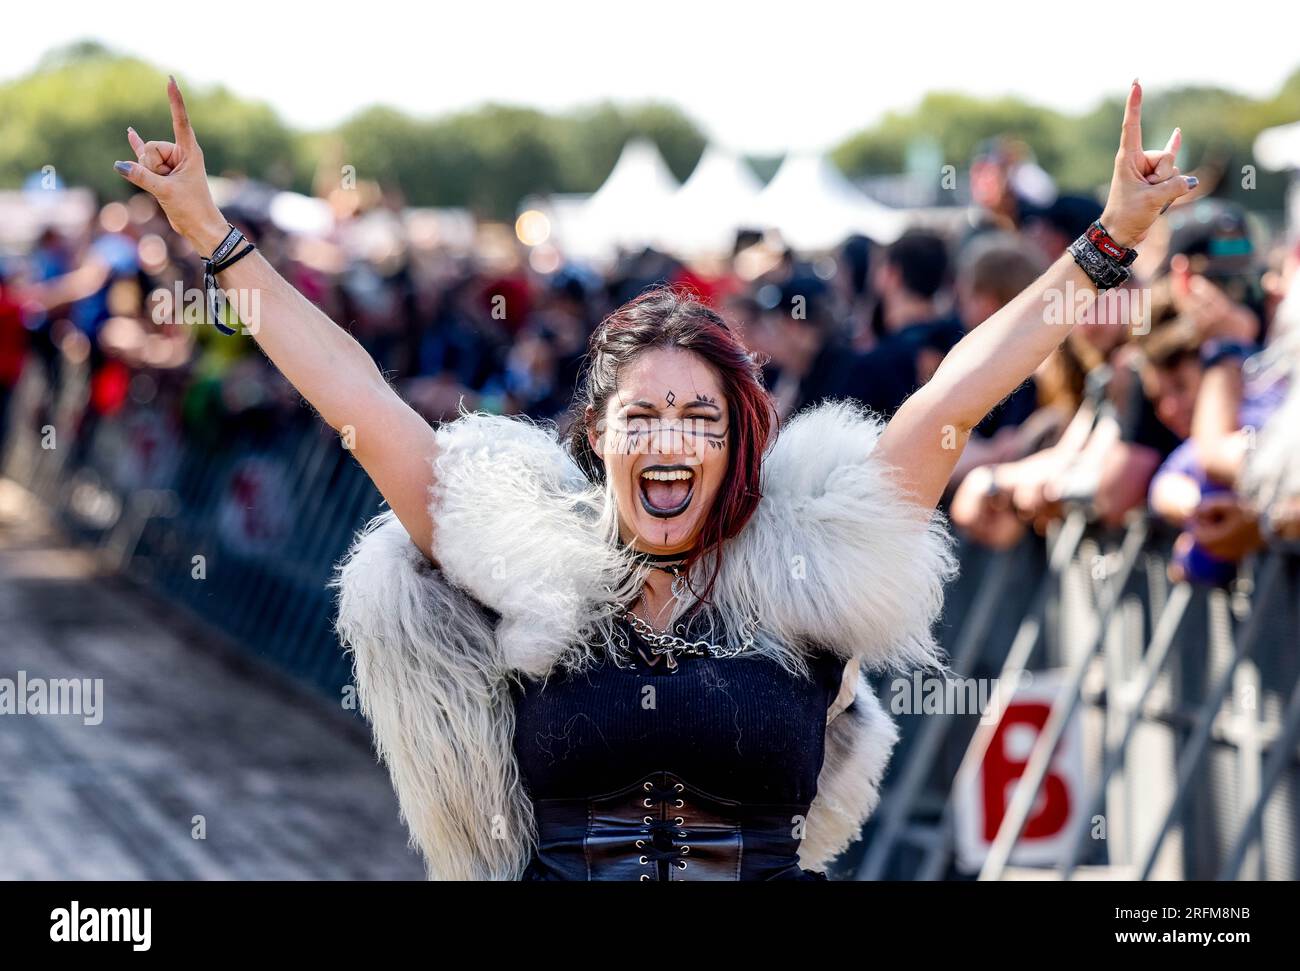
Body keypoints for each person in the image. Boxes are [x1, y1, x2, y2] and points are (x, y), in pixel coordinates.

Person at [115, 77, 1194, 880]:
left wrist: (1106, 243)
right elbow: (356, 399)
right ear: (599, 434)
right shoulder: (522, 557)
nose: (668, 436)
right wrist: (213, 236)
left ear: (737, 440)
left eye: (697, 414)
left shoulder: (808, 565)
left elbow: (952, 400)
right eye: (643, 414)